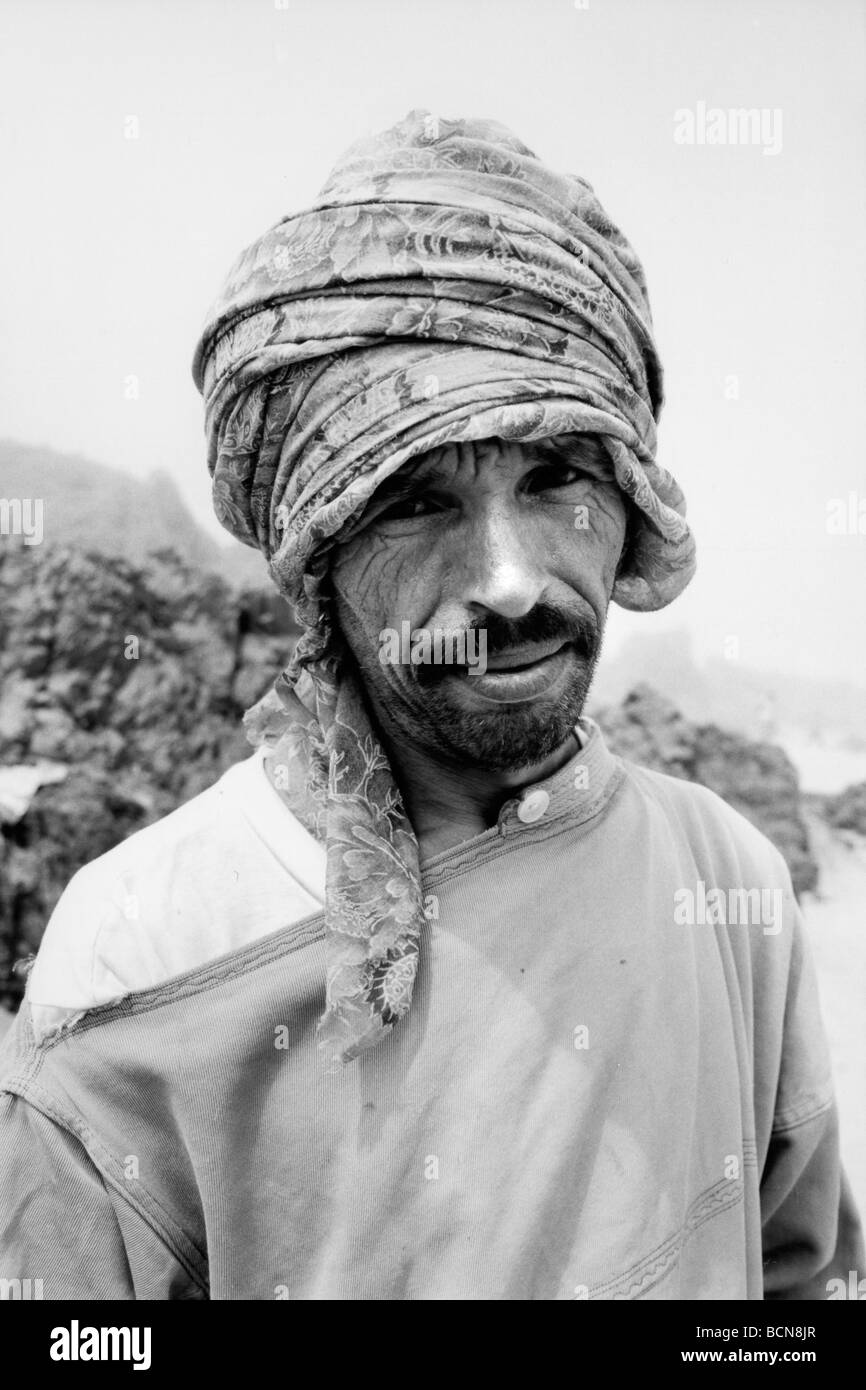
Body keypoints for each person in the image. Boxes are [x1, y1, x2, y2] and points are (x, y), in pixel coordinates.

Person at [0, 110, 860, 1300]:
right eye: (414, 499)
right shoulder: (140, 952)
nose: (507, 582)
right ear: (318, 549)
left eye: (556, 475)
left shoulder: (730, 883)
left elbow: (795, 1288)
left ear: (626, 498)